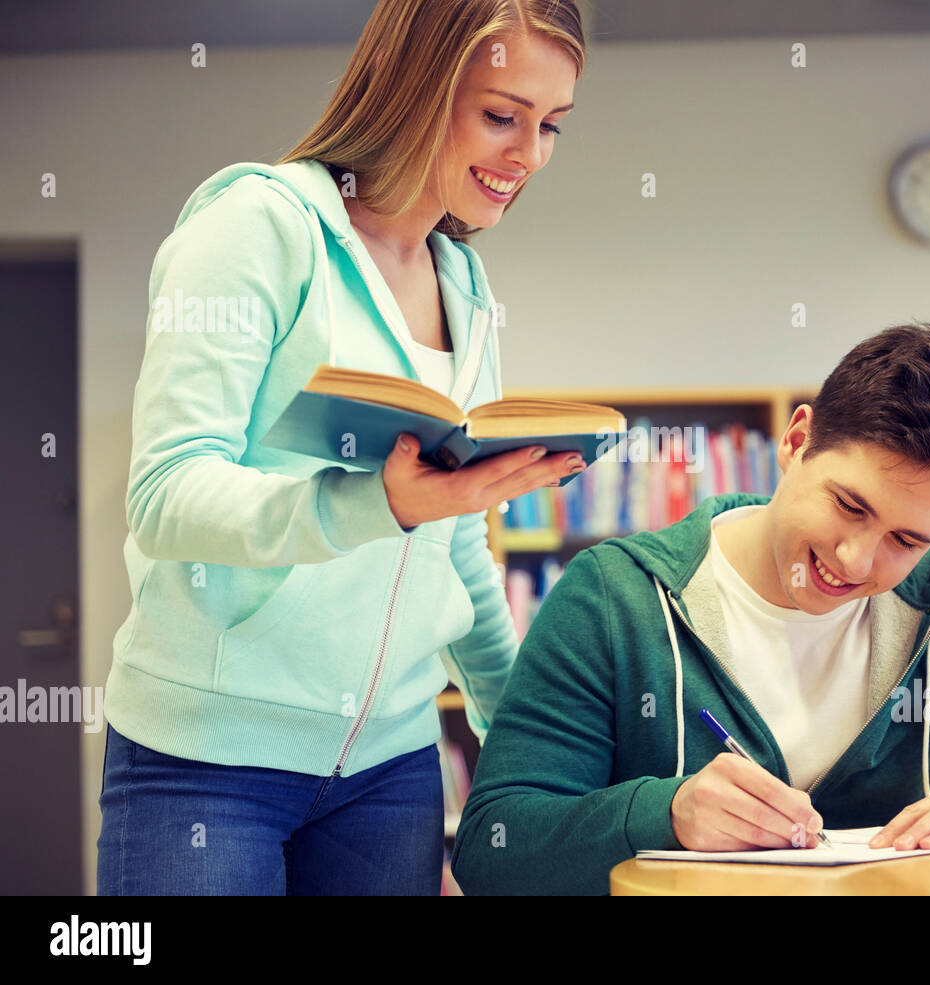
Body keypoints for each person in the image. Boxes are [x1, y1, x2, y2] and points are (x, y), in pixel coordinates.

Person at [98, 0, 586, 895]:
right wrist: (376, 503)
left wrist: (524, 735)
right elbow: (167, 492)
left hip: (390, 769)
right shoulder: (258, 228)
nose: (530, 155)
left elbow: (455, 548)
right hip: (209, 757)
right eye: (500, 115)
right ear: (415, 86)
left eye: (550, 125)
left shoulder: (466, 287)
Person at [450, 323, 930, 895]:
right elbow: (493, 845)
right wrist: (665, 813)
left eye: (905, 539)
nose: (854, 561)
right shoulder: (613, 601)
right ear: (798, 439)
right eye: (848, 505)